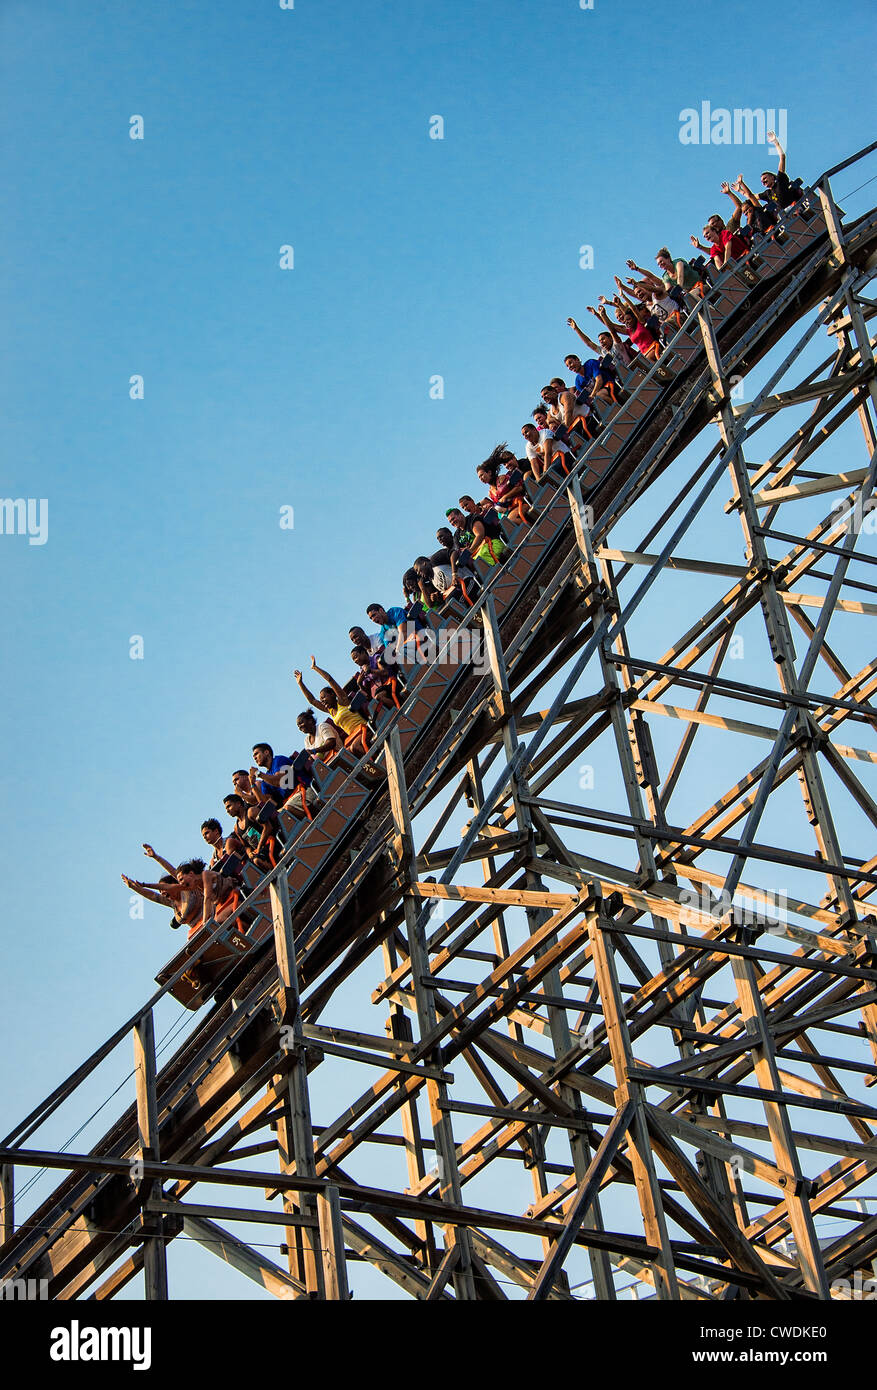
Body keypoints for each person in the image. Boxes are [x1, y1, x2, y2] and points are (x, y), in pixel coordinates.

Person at [295, 657, 374, 760]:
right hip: (354, 735)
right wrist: (300, 683)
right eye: (321, 699)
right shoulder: (331, 711)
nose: (322, 701)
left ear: (332, 694)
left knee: (355, 747)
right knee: (349, 753)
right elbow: (312, 701)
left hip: (364, 728)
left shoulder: (343, 700)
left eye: (324, 697)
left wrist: (315, 668)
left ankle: (373, 764)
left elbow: (330, 680)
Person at [458, 494, 508, 565]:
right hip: (489, 540)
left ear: (472, 501)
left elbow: (485, 501)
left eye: (466, 505)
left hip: (501, 529)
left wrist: (483, 506)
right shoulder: (471, 520)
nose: (465, 508)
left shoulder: (485, 507)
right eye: (463, 508)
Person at [759, 131, 799, 213]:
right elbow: (751, 196)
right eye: (762, 181)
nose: (763, 181)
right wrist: (740, 189)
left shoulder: (780, 180)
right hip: (785, 215)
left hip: (794, 207)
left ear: (772, 177)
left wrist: (776, 143)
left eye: (765, 178)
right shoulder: (767, 193)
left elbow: (782, 157)